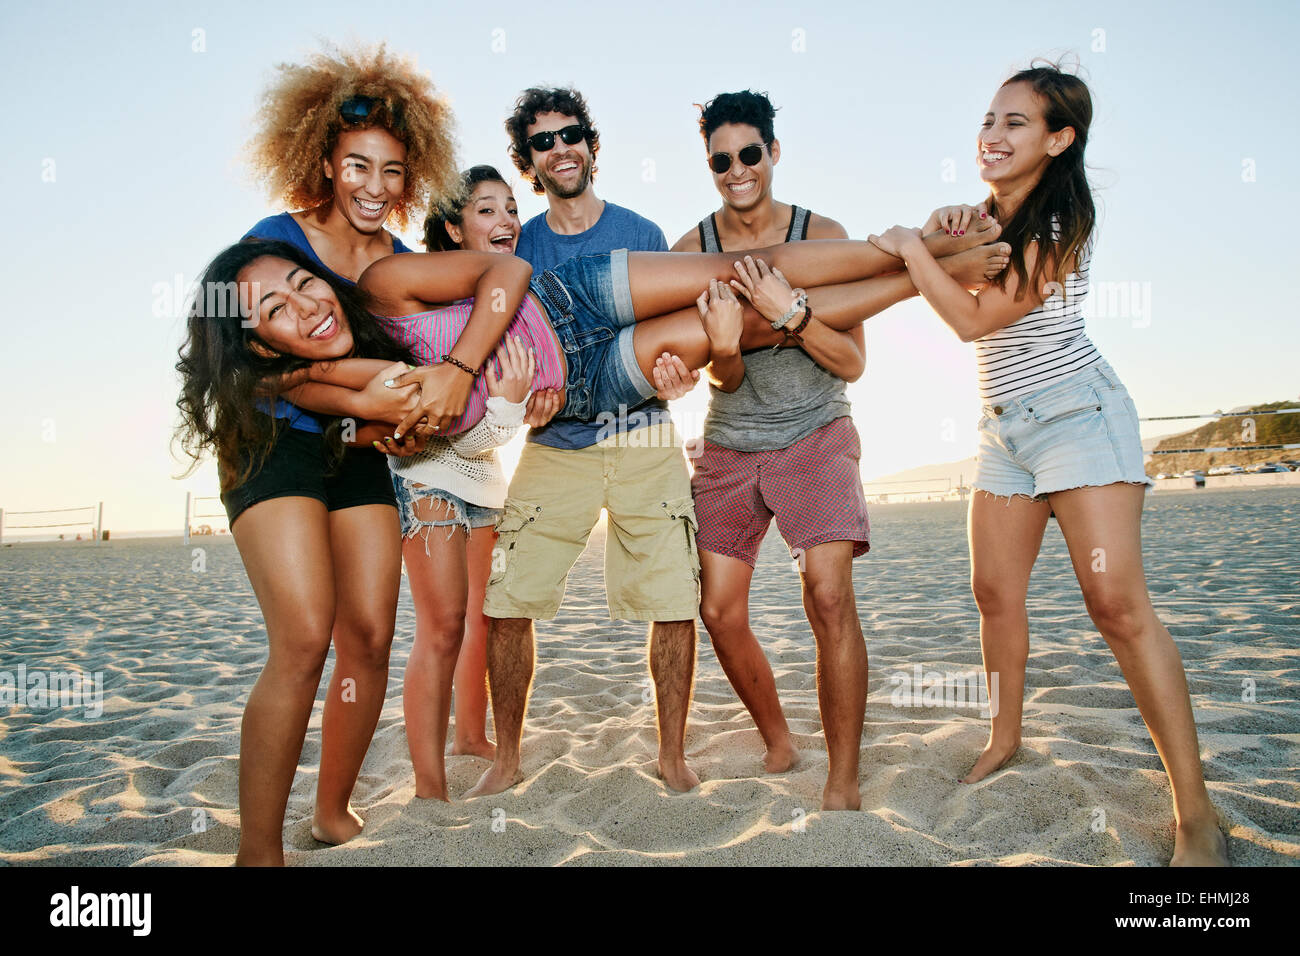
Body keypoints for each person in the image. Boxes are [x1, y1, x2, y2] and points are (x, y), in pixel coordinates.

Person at [868, 63, 1228, 865]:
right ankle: (1004, 736)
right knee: (994, 592)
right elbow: (952, 250)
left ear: (1059, 139)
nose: (991, 137)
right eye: (987, 120)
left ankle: (1195, 813)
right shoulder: (986, 213)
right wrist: (938, 228)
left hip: (1077, 417)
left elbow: (970, 317)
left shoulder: (1065, 218)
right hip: (1003, 430)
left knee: (1116, 605)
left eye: (1015, 124)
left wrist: (904, 245)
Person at [670, 90, 872, 810]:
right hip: (729, 439)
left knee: (827, 594)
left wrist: (791, 315)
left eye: (749, 154)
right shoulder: (690, 251)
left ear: (773, 153)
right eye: (721, 160)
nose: (736, 170)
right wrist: (725, 350)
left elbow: (851, 362)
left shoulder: (825, 234)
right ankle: (780, 739)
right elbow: (713, 371)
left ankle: (842, 779)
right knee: (719, 610)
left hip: (816, 431)